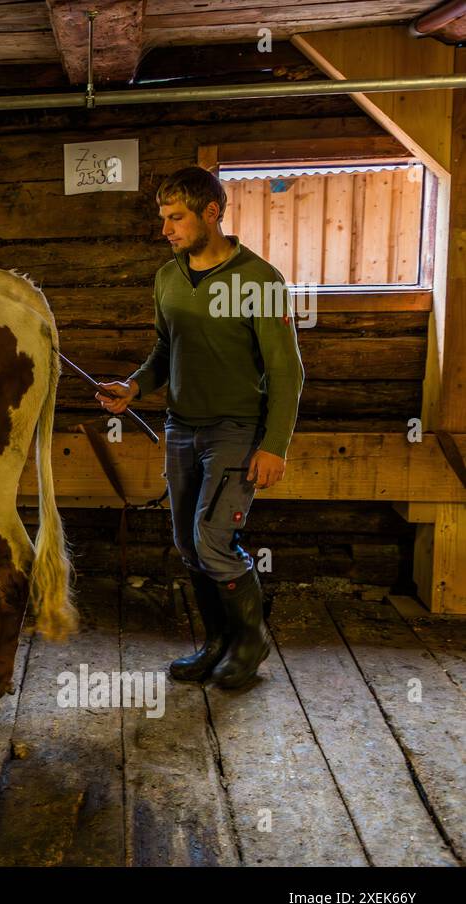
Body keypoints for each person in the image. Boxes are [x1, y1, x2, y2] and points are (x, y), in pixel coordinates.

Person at [96, 166, 304, 688]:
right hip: (181, 428)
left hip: (237, 430)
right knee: (189, 546)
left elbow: (287, 371)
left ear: (212, 212)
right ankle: (215, 644)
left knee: (213, 541)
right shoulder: (168, 278)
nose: (165, 229)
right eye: (163, 219)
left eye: (176, 217)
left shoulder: (260, 280)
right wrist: (134, 387)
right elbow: (164, 353)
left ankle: (250, 645)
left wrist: (275, 445)